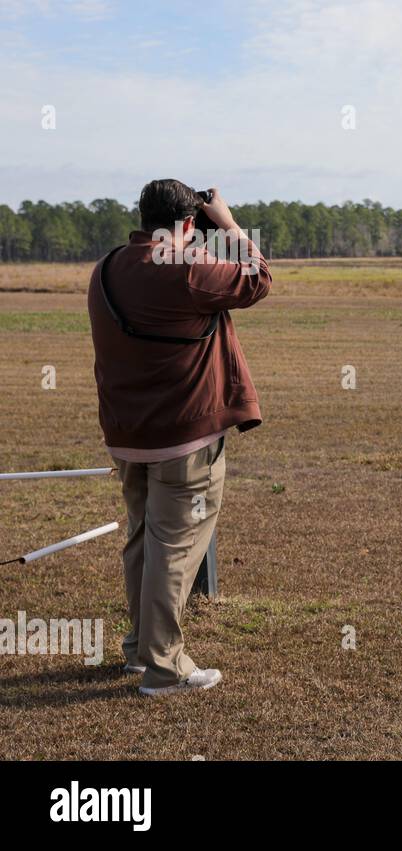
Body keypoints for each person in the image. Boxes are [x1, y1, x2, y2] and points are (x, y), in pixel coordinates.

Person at [87, 180, 271, 696]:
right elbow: (257, 278)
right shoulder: (188, 269)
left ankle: (138, 651)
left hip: (127, 433)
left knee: (143, 540)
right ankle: (165, 669)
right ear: (189, 223)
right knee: (174, 547)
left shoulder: (106, 268)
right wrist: (228, 226)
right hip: (184, 438)